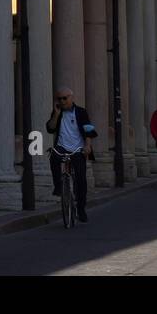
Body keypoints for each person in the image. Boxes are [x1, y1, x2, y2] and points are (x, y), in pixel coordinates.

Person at [46, 87, 96, 222]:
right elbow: (50, 129)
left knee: (81, 180)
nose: (62, 101)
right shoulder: (58, 113)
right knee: (53, 157)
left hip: (78, 149)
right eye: (59, 99)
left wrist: (87, 146)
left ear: (71, 98)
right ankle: (58, 186)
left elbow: (89, 130)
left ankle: (81, 208)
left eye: (64, 98)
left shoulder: (81, 112)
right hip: (62, 147)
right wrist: (56, 115)